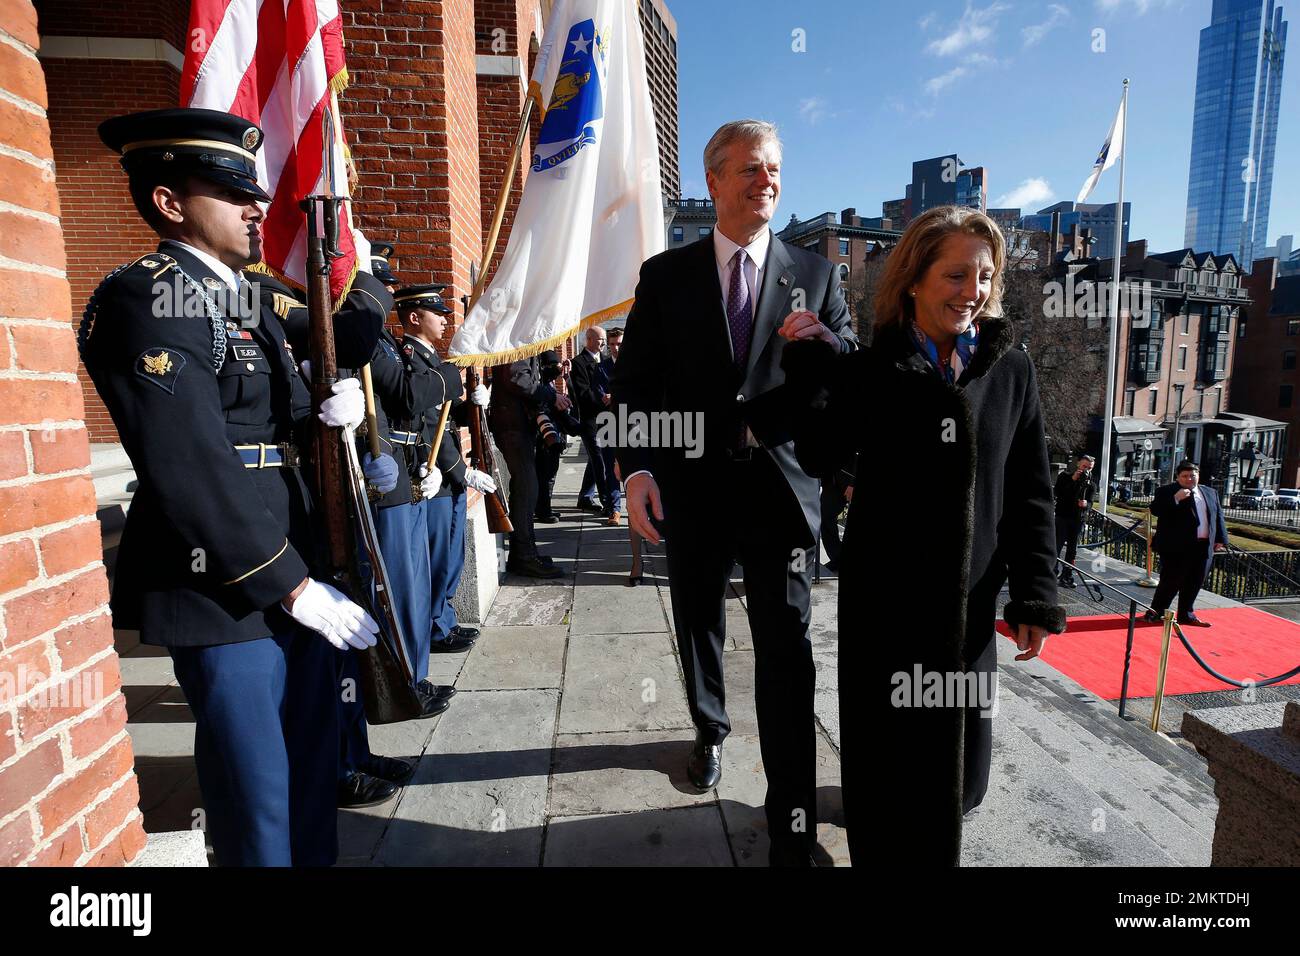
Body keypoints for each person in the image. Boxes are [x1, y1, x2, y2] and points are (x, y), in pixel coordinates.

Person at [82, 108, 392, 866]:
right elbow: (189, 462)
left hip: (298, 560)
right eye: (232, 192)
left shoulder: (242, 295)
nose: (258, 206)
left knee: (312, 774)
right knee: (261, 799)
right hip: (228, 584)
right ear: (169, 202)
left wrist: (334, 407)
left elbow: (346, 338)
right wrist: (289, 585)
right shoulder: (151, 296)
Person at [781, 204, 1068, 867]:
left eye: (985, 276)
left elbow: (1031, 491)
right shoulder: (871, 369)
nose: (973, 291)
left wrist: (1033, 595)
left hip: (967, 619)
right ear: (913, 277)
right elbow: (821, 452)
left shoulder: (1011, 370)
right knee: (886, 785)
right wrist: (810, 362)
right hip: (885, 614)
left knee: (958, 783)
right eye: (956, 274)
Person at [612, 119, 858, 866]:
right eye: (750, 169)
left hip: (781, 495)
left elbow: (846, 368)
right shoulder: (666, 276)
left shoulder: (814, 274)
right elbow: (637, 385)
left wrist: (825, 344)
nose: (767, 181)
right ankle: (709, 727)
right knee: (698, 623)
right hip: (692, 487)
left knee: (787, 653)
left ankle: (791, 813)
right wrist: (638, 472)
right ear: (714, 179)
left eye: (775, 168)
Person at [398, 286, 493, 677]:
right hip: (434, 471)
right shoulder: (409, 359)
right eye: (435, 312)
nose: (443, 318)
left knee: (452, 553)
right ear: (414, 318)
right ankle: (436, 626)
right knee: (439, 556)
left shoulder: (429, 358)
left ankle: (445, 619)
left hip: (448, 469)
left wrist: (473, 400)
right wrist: (461, 471)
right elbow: (425, 424)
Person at [489, 353, 569, 578]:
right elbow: (517, 378)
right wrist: (551, 395)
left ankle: (523, 552)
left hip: (517, 423)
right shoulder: (518, 336)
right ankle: (524, 556)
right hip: (513, 425)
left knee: (526, 488)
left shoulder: (522, 333)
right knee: (526, 488)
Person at [1143, 462, 1227, 627]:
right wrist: (1175, 498)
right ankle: (1156, 612)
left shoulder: (1210, 492)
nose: (1189, 479)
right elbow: (1156, 510)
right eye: (1185, 476)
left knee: (1195, 581)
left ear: (1198, 475)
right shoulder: (1166, 491)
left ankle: (1186, 614)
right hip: (1176, 547)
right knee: (1170, 581)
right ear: (1178, 477)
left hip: (1203, 546)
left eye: (1192, 475)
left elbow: (1218, 517)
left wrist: (1220, 539)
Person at [572, 326, 620, 523]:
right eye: (601, 340)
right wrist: (603, 399)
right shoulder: (580, 363)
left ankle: (585, 496)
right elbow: (585, 392)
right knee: (601, 461)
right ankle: (609, 504)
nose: (603, 344)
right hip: (593, 419)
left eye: (604, 341)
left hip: (614, 417)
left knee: (595, 461)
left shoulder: (603, 361)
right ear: (589, 339)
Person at [534, 350, 581, 523]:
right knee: (545, 475)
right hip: (545, 438)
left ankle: (546, 507)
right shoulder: (542, 386)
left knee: (551, 475)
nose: (557, 368)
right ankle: (543, 510)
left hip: (555, 435)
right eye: (552, 365)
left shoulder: (551, 384)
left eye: (557, 364)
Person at [1053, 453, 1096, 588]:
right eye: (1084, 466)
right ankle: (1052, 574)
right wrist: (1073, 479)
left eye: (1089, 468)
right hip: (1062, 517)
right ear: (1078, 464)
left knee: (1072, 549)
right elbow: (1058, 493)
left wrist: (1086, 504)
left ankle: (1067, 575)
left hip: (1078, 519)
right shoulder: (1064, 477)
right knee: (1057, 546)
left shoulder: (1091, 484)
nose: (1086, 470)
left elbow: (1091, 502)